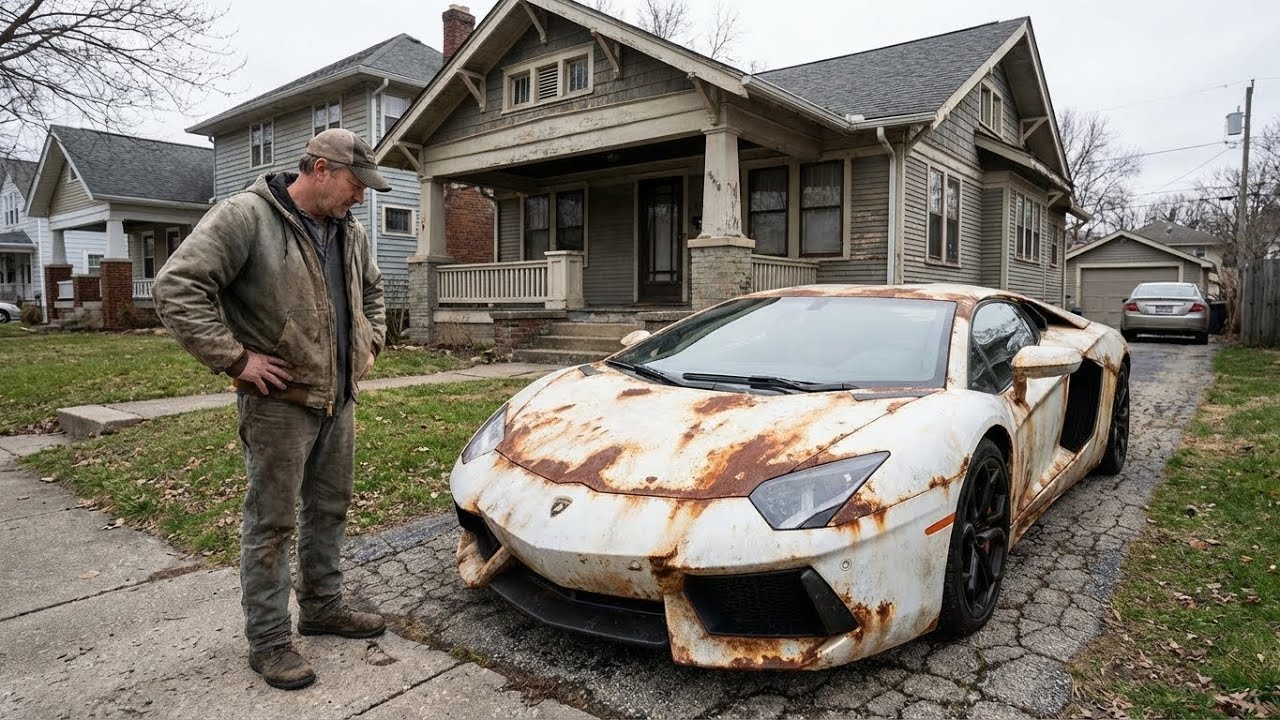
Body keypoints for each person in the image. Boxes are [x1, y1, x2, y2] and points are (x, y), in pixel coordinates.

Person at [154, 128, 389, 690]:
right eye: (357, 184)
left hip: (339, 396)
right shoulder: (245, 217)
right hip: (277, 403)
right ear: (321, 170)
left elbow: (375, 293)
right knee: (272, 523)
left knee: (329, 508)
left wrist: (370, 343)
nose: (362, 197)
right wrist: (235, 360)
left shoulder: (348, 231)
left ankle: (323, 606)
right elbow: (177, 286)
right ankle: (268, 640)